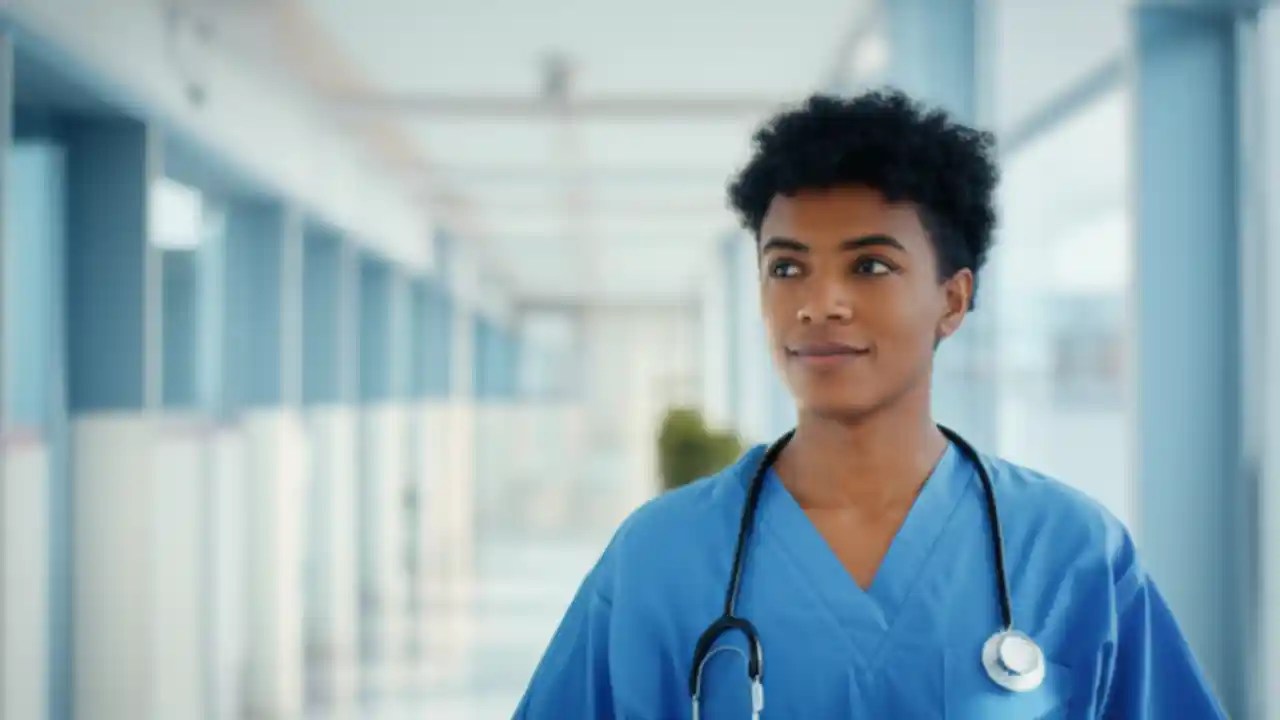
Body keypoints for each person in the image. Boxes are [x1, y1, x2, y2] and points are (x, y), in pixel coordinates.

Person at [513, 89, 1224, 718]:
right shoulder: (660, 557)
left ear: (954, 299)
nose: (819, 305)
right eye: (786, 267)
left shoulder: (1071, 551)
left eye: (871, 265)